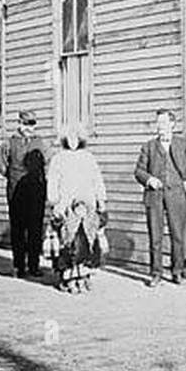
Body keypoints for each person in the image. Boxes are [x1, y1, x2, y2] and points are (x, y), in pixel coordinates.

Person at [135, 109, 186, 286]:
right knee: (155, 236)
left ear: (173, 124)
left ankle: (177, 271)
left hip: (177, 193)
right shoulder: (149, 147)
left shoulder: (183, 144)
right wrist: (149, 179)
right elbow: (138, 171)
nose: (161, 127)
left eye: (165, 123)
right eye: (158, 123)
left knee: (177, 235)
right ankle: (156, 273)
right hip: (155, 195)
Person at [46, 125, 108, 294]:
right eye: (69, 138)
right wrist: (54, 203)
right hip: (66, 206)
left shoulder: (88, 158)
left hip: (87, 205)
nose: (73, 142)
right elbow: (52, 182)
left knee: (87, 242)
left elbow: (97, 179)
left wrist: (101, 201)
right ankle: (68, 277)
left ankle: (83, 275)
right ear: (64, 140)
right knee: (68, 243)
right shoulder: (58, 158)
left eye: (76, 138)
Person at [0, 110, 49, 277]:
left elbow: (48, 165)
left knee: (35, 228)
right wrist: (12, 176)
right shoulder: (9, 143)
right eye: (25, 124)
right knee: (18, 229)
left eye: (31, 125)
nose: (28, 128)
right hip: (16, 191)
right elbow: (0, 165)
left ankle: (34, 265)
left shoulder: (41, 143)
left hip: (36, 191)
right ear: (19, 124)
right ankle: (19, 266)